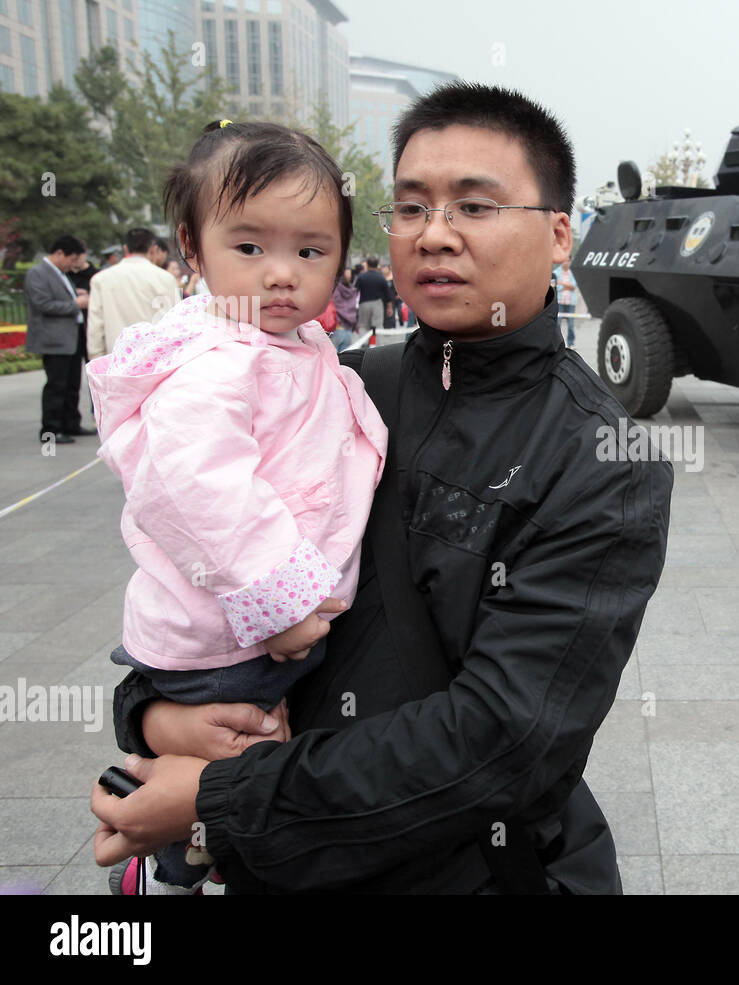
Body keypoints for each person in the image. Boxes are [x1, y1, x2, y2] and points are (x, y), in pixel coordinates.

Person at [92, 81, 674, 895]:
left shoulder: (602, 461)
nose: (435, 235)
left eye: (474, 207)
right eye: (411, 208)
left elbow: (504, 744)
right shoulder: (347, 387)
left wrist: (216, 799)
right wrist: (153, 714)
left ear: (557, 234)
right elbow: (191, 572)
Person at [86, 118, 387, 893]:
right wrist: (281, 599)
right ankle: (165, 868)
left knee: (251, 767)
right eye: (249, 248)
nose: (281, 274)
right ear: (192, 245)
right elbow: (201, 493)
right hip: (229, 642)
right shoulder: (211, 366)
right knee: (240, 771)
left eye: (310, 251)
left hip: (262, 637)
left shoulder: (297, 346)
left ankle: (179, 846)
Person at [24, 235, 91, 444]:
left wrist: (74, 294)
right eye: (71, 259)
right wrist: (76, 303)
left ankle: (71, 423)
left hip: (70, 337)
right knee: (56, 385)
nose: (73, 265)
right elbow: (42, 304)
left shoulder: (61, 273)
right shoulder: (38, 273)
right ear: (59, 253)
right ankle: (51, 430)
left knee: (72, 384)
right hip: (54, 340)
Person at [86, 227, 182, 361]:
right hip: (156, 361)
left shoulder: (101, 280)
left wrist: (96, 359)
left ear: (125, 249)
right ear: (153, 249)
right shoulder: (165, 279)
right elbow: (176, 322)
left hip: (116, 360)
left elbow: (95, 327)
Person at [354, 256, 387, 337]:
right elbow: (387, 293)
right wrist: (389, 307)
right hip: (377, 304)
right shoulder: (381, 277)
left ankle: (364, 344)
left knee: (363, 325)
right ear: (377, 265)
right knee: (378, 326)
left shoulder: (361, 277)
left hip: (364, 304)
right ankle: (379, 346)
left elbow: (355, 291)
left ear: (368, 265)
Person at [330, 265, 359, 351]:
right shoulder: (352, 290)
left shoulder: (335, 289)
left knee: (332, 360)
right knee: (345, 359)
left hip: (336, 328)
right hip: (349, 329)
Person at [556, 257, 578, 346]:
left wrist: (561, 283)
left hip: (570, 302)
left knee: (571, 325)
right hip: (560, 302)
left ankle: (571, 343)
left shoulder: (573, 273)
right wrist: (566, 286)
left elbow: (573, 287)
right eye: (565, 260)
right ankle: (558, 343)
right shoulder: (556, 273)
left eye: (568, 261)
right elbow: (556, 287)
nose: (566, 263)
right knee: (557, 324)